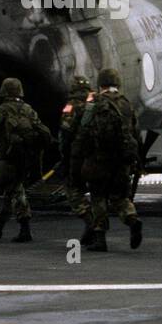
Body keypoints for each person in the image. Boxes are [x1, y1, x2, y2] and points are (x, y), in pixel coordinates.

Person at [71, 67, 143, 252]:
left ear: (100, 84)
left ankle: (100, 238)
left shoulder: (94, 104)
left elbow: (83, 131)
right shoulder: (126, 104)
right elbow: (135, 132)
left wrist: (76, 157)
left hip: (98, 160)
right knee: (120, 196)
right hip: (122, 160)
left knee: (98, 198)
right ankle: (132, 219)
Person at [0, 77, 52, 242]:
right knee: (12, 189)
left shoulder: (0, 111)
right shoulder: (29, 110)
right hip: (26, 157)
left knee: (15, 189)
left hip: (6, 156)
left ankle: (25, 226)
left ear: (4, 92)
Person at [58, 75, 95, 244]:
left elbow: (65, 132)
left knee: (74, 191)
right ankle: (99, 232)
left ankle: (90, 221)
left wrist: (63, 155)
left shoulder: (71, 107)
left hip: (76, 157)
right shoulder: (96, 104)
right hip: (95, 157)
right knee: (98, 193)